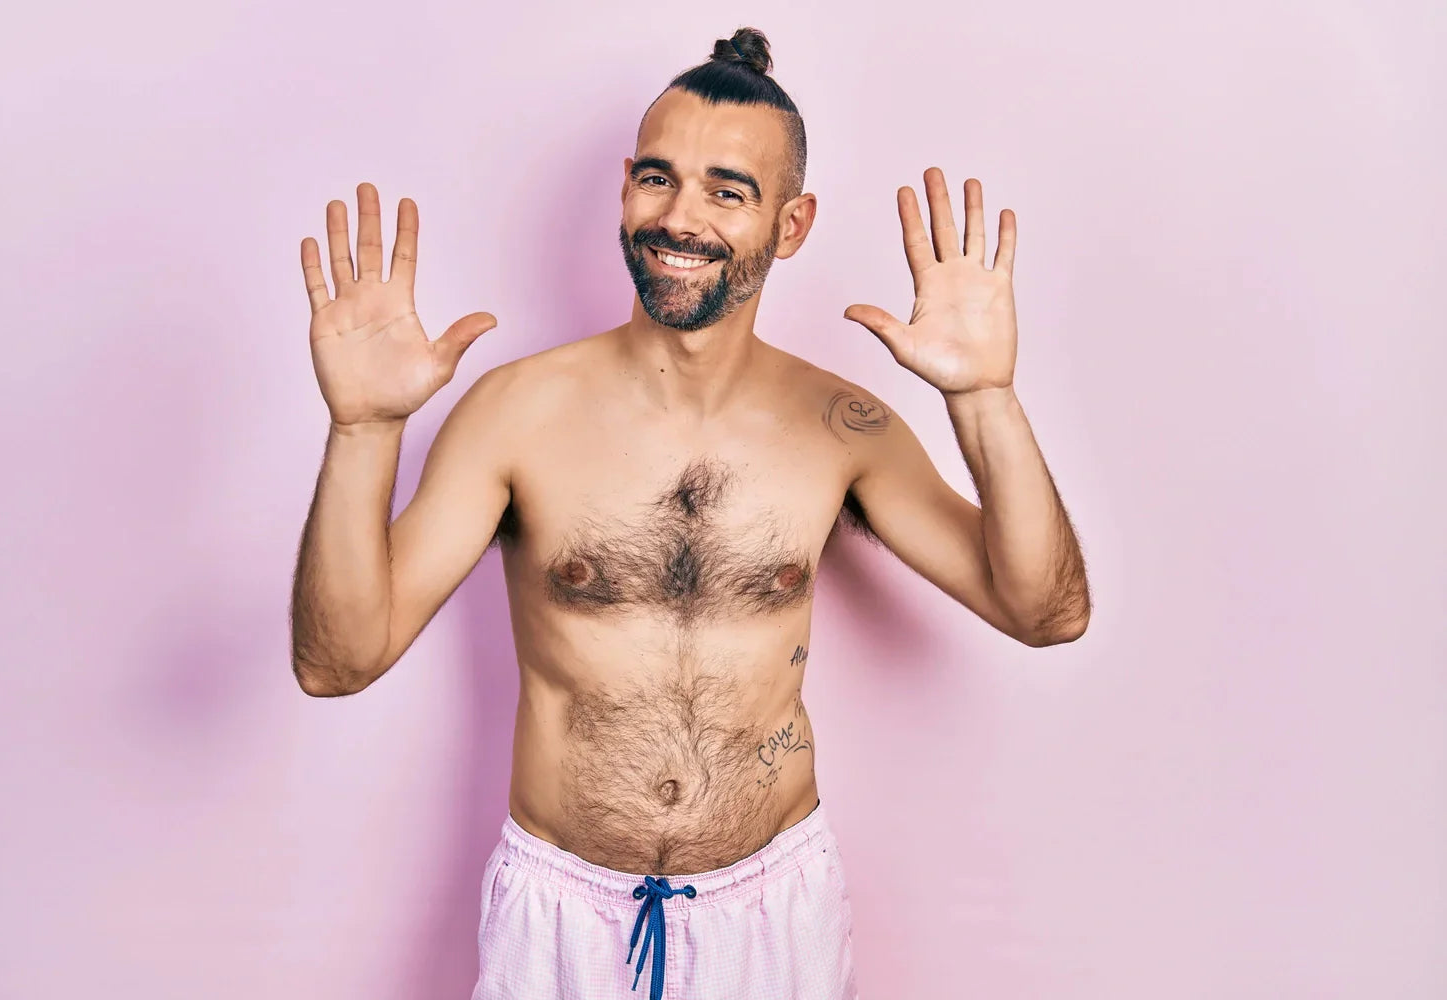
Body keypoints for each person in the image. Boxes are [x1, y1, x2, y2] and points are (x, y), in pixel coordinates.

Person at [289, 25, 1090, 1000]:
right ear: (626, 186)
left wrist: (987, 400)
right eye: (658, 178)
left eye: (727, 190)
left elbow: (1044, 611)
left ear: (790, 225)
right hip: (563, 920)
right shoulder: (513, 414)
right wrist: (364, 430)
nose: (679, 216)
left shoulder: (840, 427)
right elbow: (338, 661)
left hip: (772, 915)